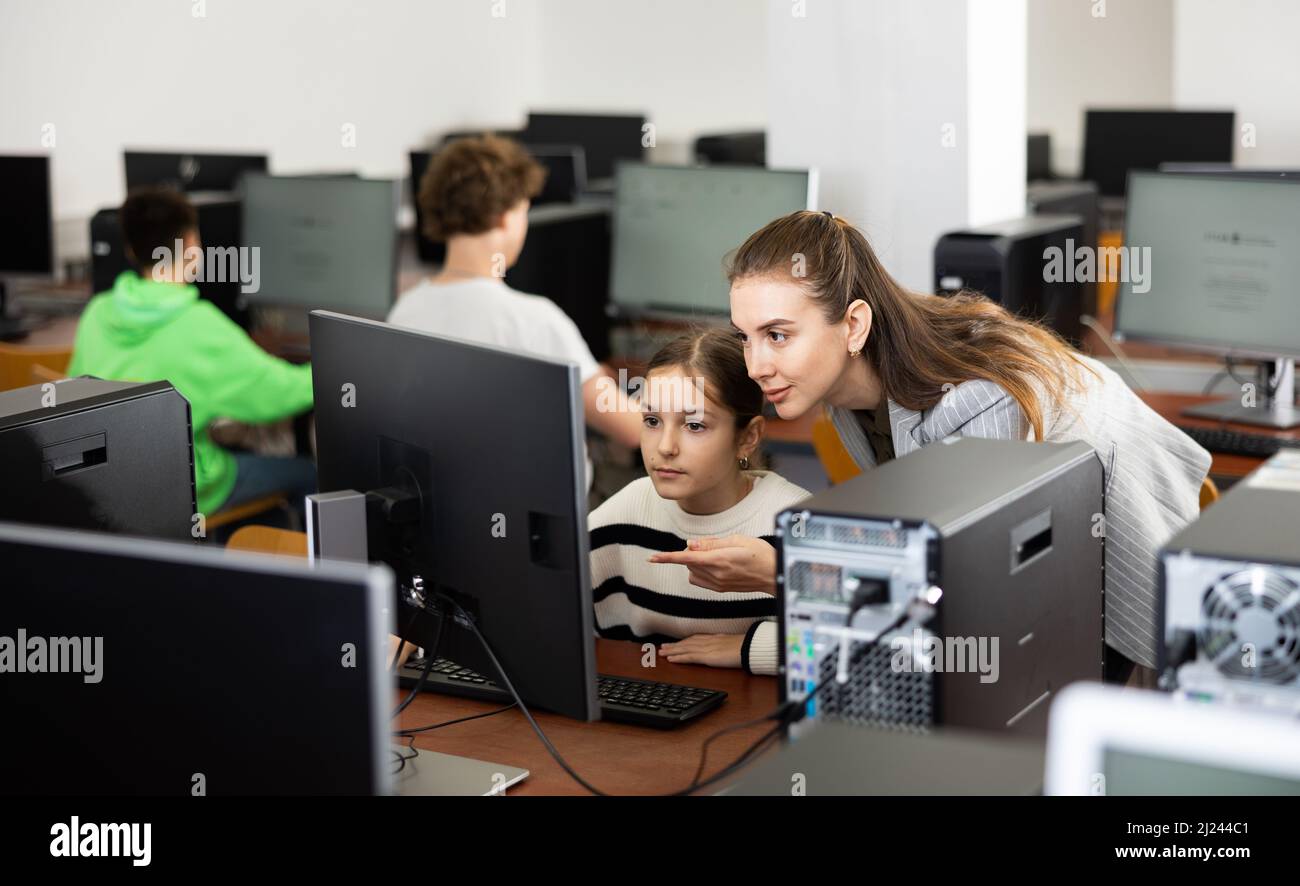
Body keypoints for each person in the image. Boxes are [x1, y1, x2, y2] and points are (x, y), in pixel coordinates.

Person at [713, 209, 1211, 682]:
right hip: (1033, 564)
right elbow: (913, 533)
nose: (756, 365)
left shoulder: (972, 402)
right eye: (745, 337)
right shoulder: (846, 384)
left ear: (855, 326)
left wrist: (786, 574)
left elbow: (973, 587)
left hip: (1105, 564)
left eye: (777, 335)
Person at [387, 135, 641, 491]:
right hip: (537, 528)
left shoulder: (405, 310)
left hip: (448, 515)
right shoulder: (534, 320)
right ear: (505, 218)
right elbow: (632, 430)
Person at [67, 187, 315, 519]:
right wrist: (334, 369)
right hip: (187, 488)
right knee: (306, 472)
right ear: (192, 246)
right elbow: (278, 397)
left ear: (130, 249)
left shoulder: (97, 312)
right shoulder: (199, 325)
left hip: (112, 487)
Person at [587, 328, 810, 674]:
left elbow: (862, 645)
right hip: (650, 706)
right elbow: (548, 604)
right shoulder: (626, 510)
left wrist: (748, 649)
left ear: (748, 437)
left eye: (694, 426)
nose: (665, 447)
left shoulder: (796, 523)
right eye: (652, 421)